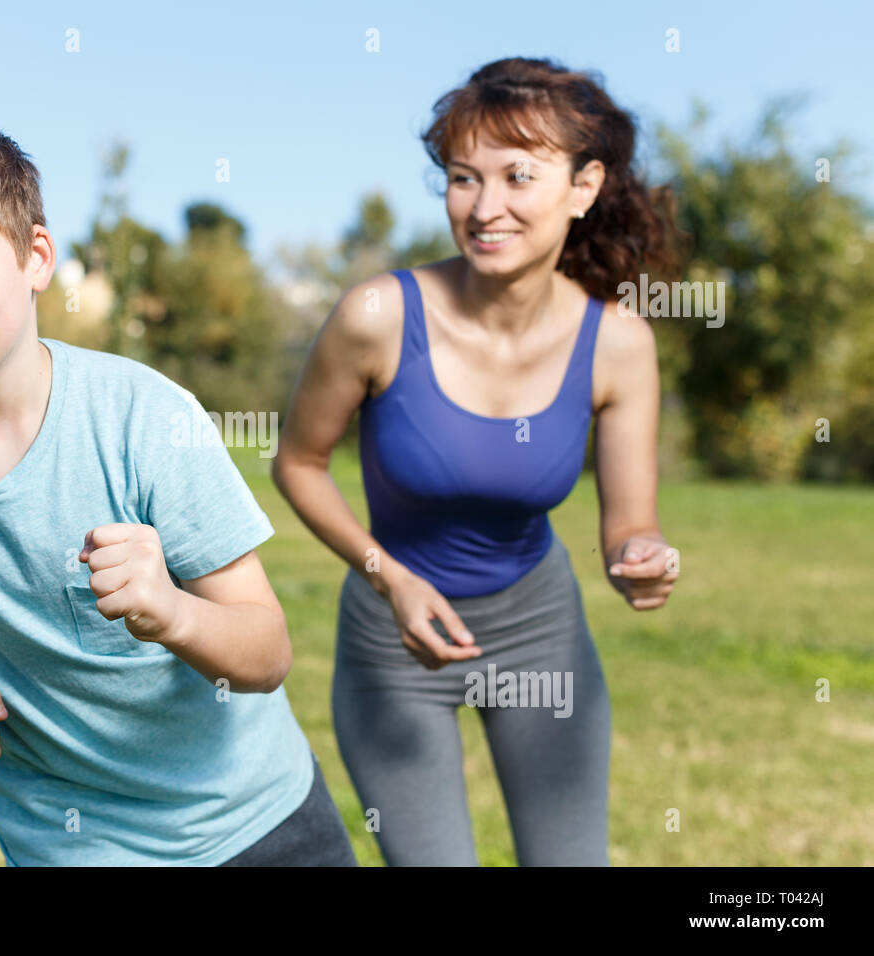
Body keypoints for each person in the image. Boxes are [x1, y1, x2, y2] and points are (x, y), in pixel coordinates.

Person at [0, 116, 356, 866]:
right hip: (69, 846)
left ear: (37, 257)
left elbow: (265, 655)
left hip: (260, 823)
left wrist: (170, 611)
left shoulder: (145, 417)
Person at [271, 57, 683, 866]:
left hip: (540, 635)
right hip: (396, 641)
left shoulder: (620, 346)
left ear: (583, 185)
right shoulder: (379, 316)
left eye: (518, 176)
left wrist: (640, 560)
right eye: (464, 178)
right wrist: (390, 577)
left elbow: (629, 526)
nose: (485, 208)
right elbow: (299, 462)